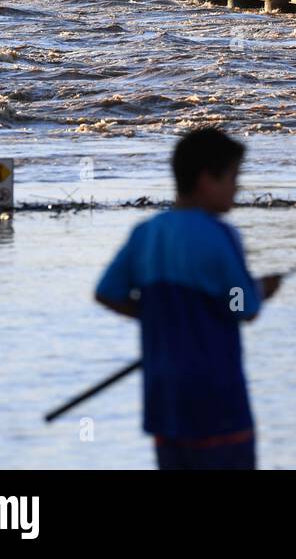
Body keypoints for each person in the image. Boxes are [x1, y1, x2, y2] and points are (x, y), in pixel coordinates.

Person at [95, 128, 281, 469]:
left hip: (165, 402)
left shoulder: (146, 233)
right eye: (233, 177)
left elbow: (107, 293)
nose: (238, 188)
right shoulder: (222, 236)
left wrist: (157, 317)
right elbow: (243, 308)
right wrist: (261, 290)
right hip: (219, 401)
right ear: (207, 179)